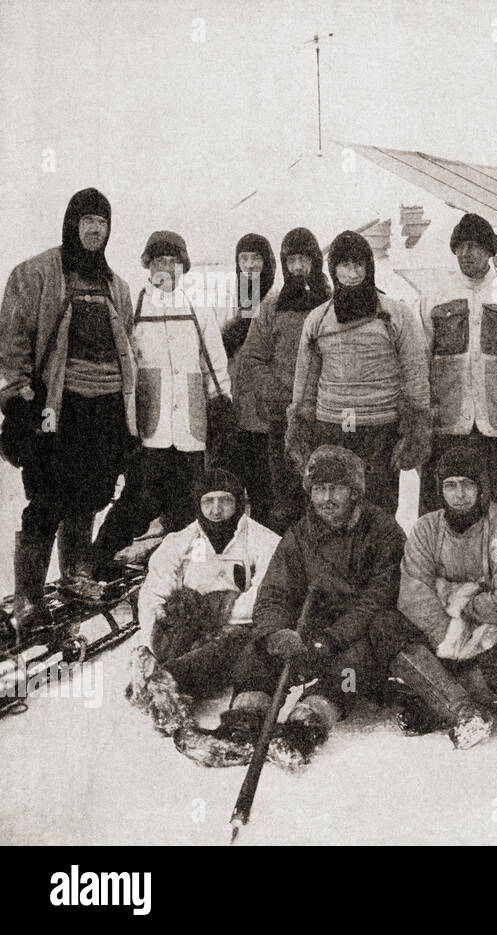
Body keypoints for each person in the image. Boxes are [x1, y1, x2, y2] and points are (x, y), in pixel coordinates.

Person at [216, 445, 409, 769]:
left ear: (354, 492)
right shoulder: (300, 534)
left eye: (336, 488)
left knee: (350, 668)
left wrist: (330, 640)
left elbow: (378, 599)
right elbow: (275, 592)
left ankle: (305, 727)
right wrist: (276, 634)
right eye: (319, 489)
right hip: (311, 627)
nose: (326, 498)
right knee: (257, 651)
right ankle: (243, 723)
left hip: (357, 634)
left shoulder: (383, 531)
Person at [0, 188, 137, 639]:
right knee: (48, 497)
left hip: (105, 410)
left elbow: (128, 351)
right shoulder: (36, 273)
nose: (95, 229)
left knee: (92, 492)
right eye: (87, 220)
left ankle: (76, 575)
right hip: (56, 408)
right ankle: (28, 596)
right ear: (71, 224)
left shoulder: (116, 285)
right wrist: (17, 396)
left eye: (102, 221)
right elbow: (13, 341)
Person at [85, 230, 234, 591]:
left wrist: (221, 405)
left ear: (183, 266)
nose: (166, 267)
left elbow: (215, 363)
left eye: (173, 260)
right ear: (147, 266)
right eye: (158, 261)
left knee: (189, 506)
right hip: (150, 427)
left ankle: (187, 572)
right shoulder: (135, 308)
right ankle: (96, 562)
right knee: (138, 498)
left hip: (190, 428)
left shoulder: (198, 309)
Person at [387, 447, 497, 748]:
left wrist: (457, 602)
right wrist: (448, 639)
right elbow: (414, 592)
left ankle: (436, 700)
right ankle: (462, 711)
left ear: (482, 487)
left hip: (489, 640)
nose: (460, 494)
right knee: (385, 628)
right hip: (441, 639)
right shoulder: (427, 528)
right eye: (450, 485)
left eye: (468, 484)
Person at [285, 231, 432, 516]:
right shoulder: (318, 319)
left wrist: (416, 427)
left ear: (369, 268)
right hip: (332, 425)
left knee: (378, 507)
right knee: (332, 508)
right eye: (344, 265)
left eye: (358, 265)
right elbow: (305, 381)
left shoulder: (396, 315)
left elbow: (415, 375)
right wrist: (299, 425)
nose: (352, 274)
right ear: (333, 269)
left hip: (379, 428)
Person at [417, 213, 497, 515]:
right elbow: (418, 358)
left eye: (474, 246)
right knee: (440, 507)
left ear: (489, 251)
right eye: (460, 246)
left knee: (491, 506)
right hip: (445, 425)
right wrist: (420, 413)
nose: (466, 253)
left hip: (493, 427)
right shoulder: (435, 295)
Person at [135, 468, 280, 698]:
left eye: (225, 500)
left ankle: (171, 680)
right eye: (208, 501)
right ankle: (168, 673)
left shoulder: (263, 540)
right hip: (190, 625)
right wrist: (158, 632)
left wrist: (218, 612)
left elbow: (267, 594)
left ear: (239, 503)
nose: (216, 509)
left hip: (236, 625)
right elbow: (153, 593)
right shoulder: (180, 541)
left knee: (233, 643)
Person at [241, 227, 332, 533]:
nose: (297, 268)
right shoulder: (272, 306)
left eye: (304, 259)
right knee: (285, 498)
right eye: (291, 260)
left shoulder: (331, 304)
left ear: (315, 261)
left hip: (325, 416)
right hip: (282, 420)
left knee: (324, 493)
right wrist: (278, 395)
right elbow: (254, 357)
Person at [220, 233, 278, 524]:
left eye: (257, 258)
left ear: (268, 262)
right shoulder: (234, 298)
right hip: (236, 409)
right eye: (244, 258)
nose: (250, 265)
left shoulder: (276, 300)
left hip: (263, 412)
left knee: (263, 489)